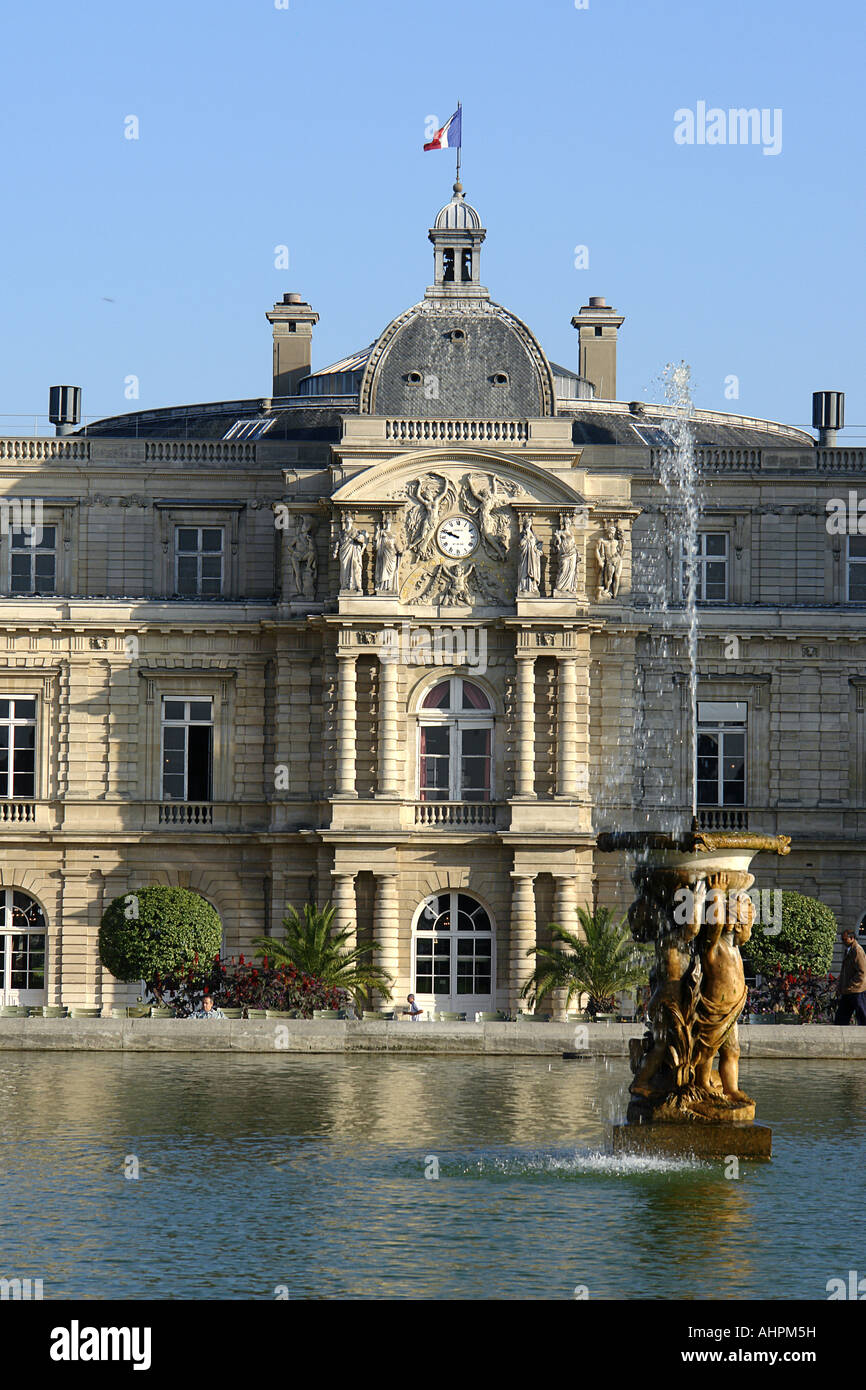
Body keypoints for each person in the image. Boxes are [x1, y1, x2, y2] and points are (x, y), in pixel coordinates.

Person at [834, 929, 866, 1025]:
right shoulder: (849, 950)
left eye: (844, 939)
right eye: (842, 939)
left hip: (857, 990)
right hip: (848, 990)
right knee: (841, 1017)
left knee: (862, 1016)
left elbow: (862, 971)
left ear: (852, 938)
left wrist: (850, 985)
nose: (843, 942)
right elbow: (845, 971)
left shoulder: (857, 950)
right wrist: (841, 987)